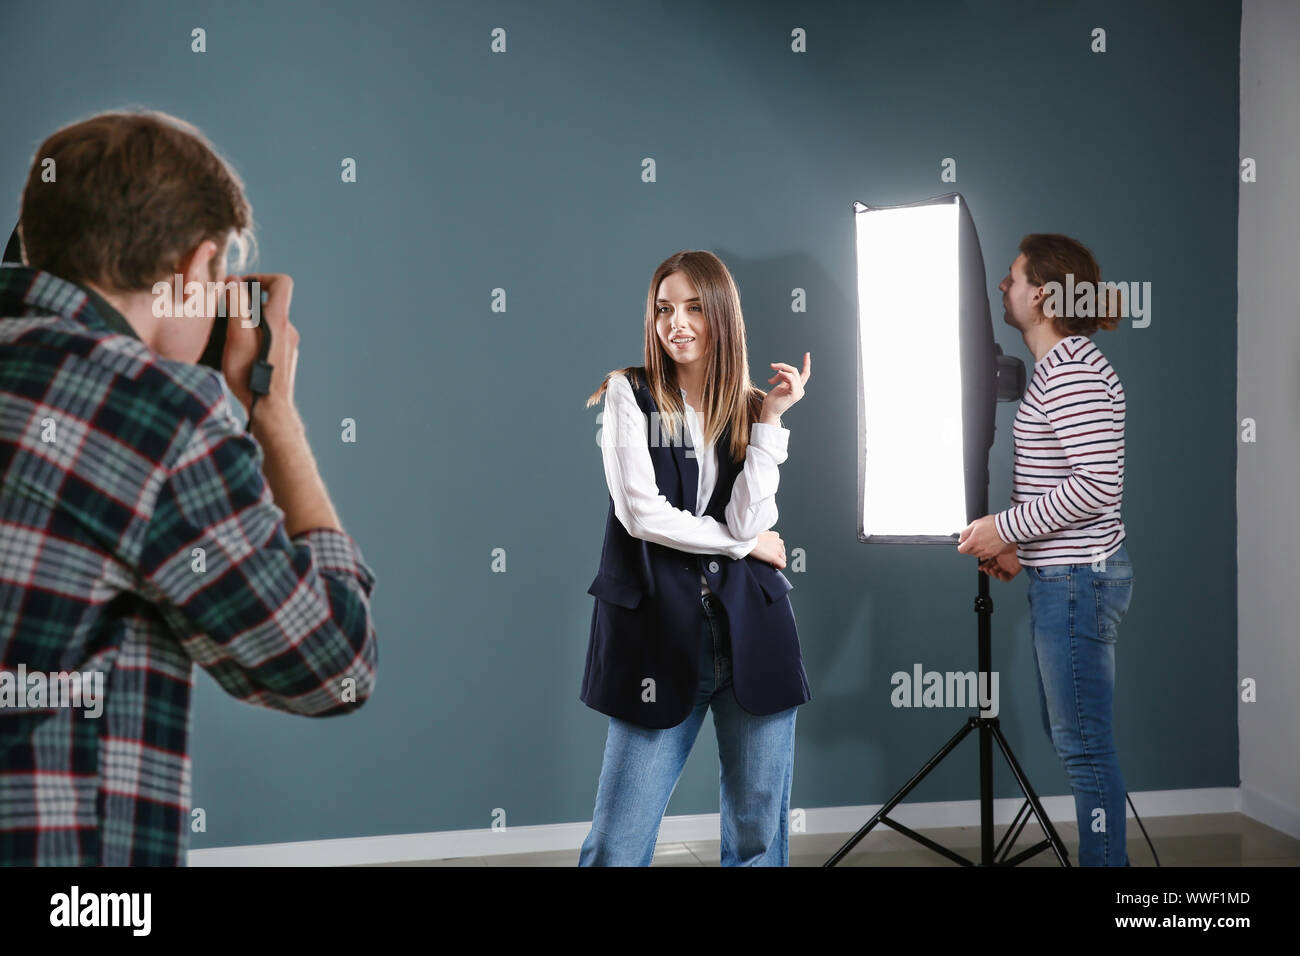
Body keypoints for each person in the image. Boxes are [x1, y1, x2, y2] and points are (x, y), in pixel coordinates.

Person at [0, 109, 378, 865]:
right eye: (218, 274)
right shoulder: (158, 414)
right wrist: (273, 413)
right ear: (190, 269)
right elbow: (333, 665)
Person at [578, 250, 811, 866]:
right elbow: (641, 514)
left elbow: (749, 519)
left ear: (722, 316)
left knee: (759, 840)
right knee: (615, 845)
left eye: (693, 308)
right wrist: (747, 546)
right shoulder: (629, 393)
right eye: (663, 309)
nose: (675, 323)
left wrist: (772, 423)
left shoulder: (751, 404)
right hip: (657, 634)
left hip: (754, 632)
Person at [958, 233, 1133, 866]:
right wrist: (1022, 550)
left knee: (1085, 747)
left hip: (1077, 584)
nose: (1003, 287)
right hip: (1063, 576)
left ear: (1044, 293)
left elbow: (1094, 487)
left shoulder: (1073, 371)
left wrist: (1006, 528)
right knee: (1081, 742)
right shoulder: (1060, 368)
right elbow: (1067, 485)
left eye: (1013, 277)